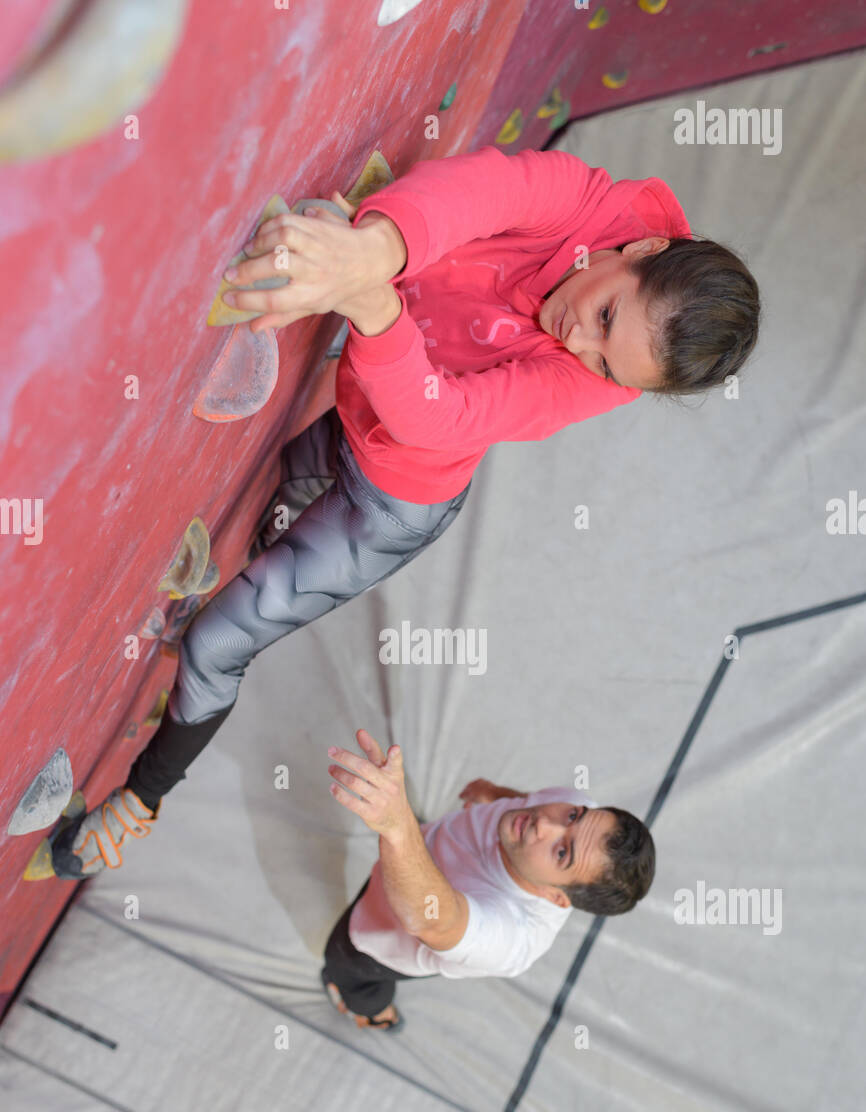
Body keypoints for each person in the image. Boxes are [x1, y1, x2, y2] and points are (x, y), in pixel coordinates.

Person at [51, 145, 759, 878]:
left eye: (607, 364)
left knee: (215, 645)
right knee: (276, 502)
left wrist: (370, 296)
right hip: (357, 408)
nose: (577, 342)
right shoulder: (586, 199)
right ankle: (249, 572)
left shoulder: (597, 380)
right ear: (641, 247)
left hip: (393, 500)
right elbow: (475, 191)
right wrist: (372, 250)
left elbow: (439, 422)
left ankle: (142, 801)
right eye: (605, 315)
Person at [321, 730, 655, 1031]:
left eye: (562, 853)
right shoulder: (579, 809)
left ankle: (376, 1014)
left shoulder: (514, 939)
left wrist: (398, 827)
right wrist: (495, 794)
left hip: (375, 943)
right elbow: (531, 801)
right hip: (399, 865)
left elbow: (433, 921)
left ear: (556, 897)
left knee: (344, 972)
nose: (543, 823)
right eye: (572, 816)